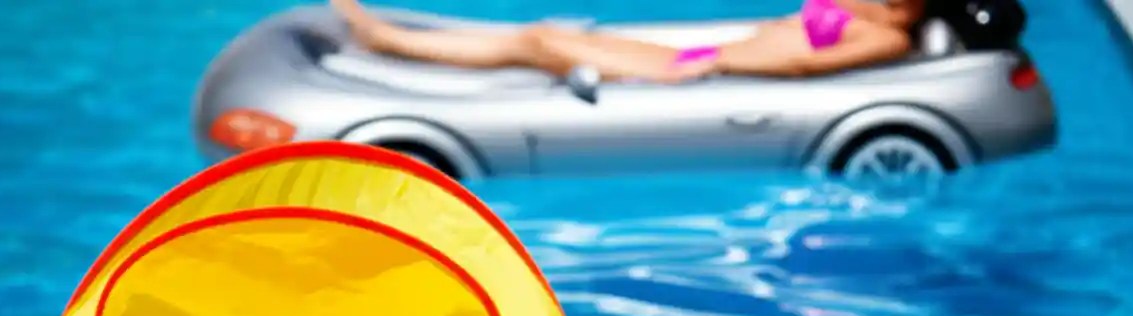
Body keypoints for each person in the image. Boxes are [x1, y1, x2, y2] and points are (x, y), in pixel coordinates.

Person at [329, 0, 933, 84]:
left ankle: (391, 42)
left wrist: (725, 62)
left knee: (542, 42)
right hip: (702, 61)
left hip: (698, 74)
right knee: (542, 37)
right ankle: (396, 40)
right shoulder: (868, 11)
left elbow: (803, 63)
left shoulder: (885, 33)